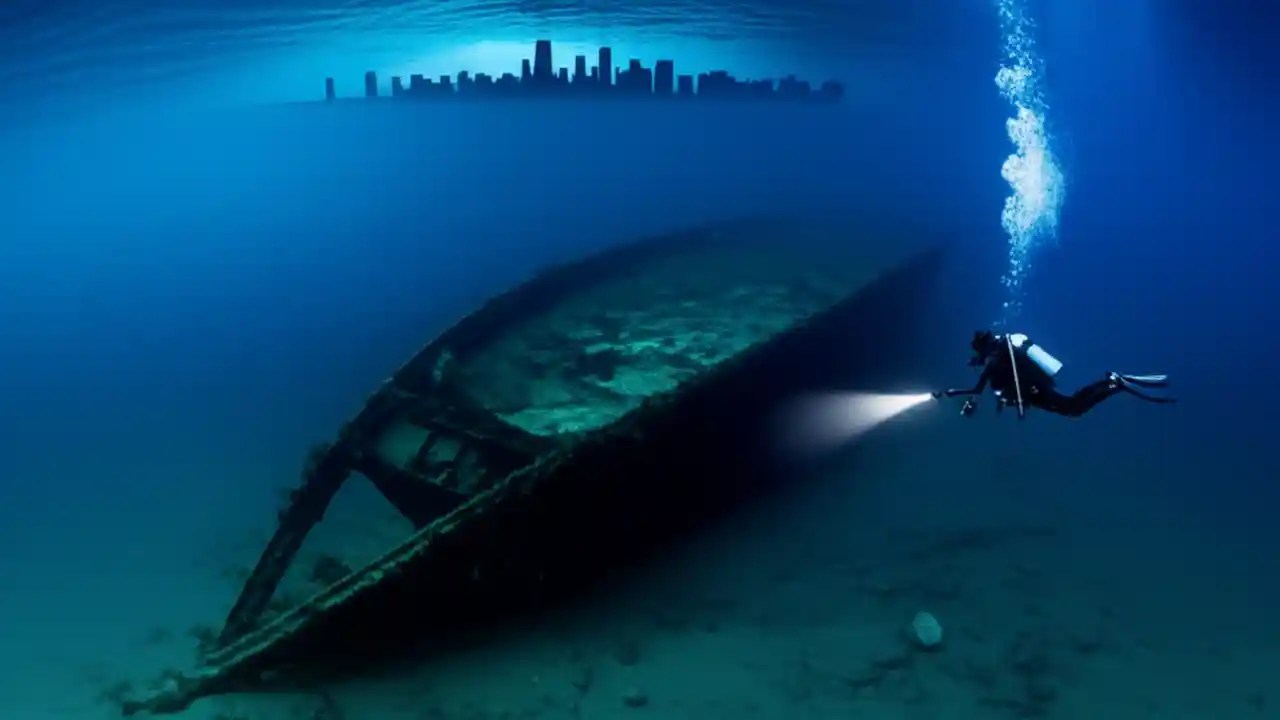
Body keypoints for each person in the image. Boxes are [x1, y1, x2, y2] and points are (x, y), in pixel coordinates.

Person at [932, 330, 1175, 419]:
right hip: (1035, 385)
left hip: (1034, 389)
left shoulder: (994, 361)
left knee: (1073, 408)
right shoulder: (1000, 351)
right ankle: (1112, 381)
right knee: (1071, 406)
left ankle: (1114, 383)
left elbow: (977, 389)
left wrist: (946, 393)